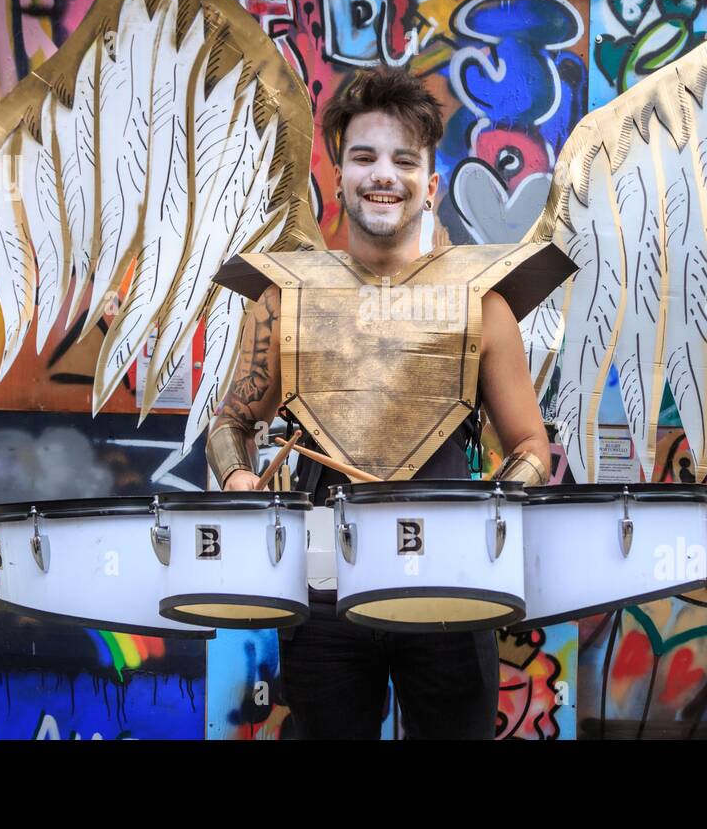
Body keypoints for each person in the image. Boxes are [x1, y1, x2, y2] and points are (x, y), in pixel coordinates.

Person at [205, 65, 573, 739]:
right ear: (338, 177)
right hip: (323, 596)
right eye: (365, 157)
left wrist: (496, 506)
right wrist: (239, 478)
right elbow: (232, 422)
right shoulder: (283, 297)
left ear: (430, 185)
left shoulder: (482, 301)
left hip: (454, 587)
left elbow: (530, 447)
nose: (384, 175)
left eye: (405, 161)